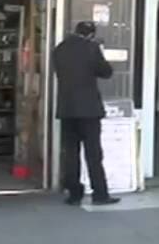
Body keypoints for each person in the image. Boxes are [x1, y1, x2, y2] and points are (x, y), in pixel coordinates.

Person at [53, 21, 119, 206]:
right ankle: (100, 193)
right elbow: (106, 72)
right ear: (91, 34)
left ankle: (74, 194)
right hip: (89, 110)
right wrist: (100, 52)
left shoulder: (59, 49)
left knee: (70, 154)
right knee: (93, 154)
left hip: (67, 109)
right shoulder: (92, 48)